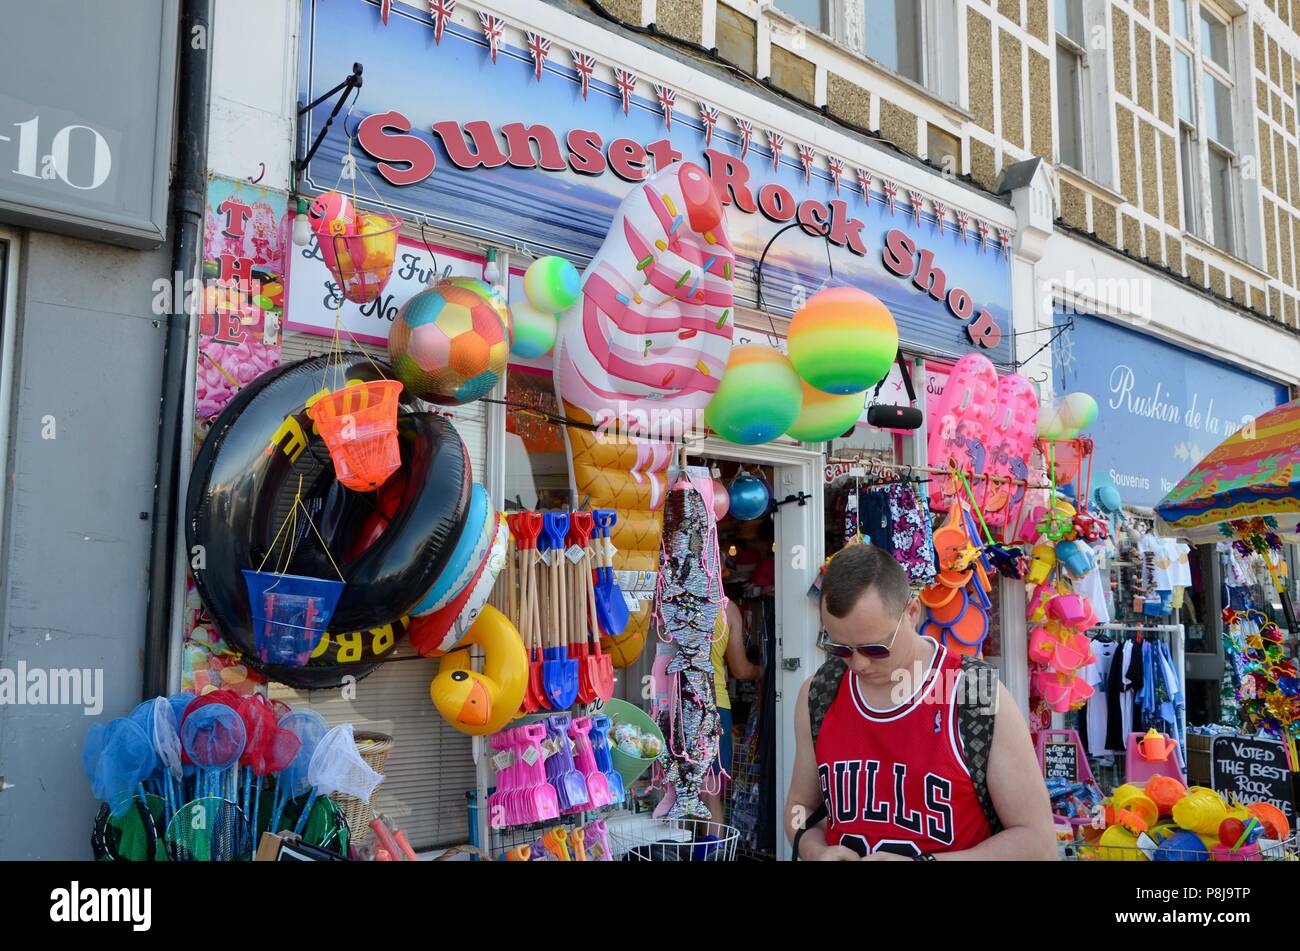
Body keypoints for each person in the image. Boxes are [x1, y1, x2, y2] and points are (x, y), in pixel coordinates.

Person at [785, 544, 1056, 860]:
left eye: (875, 649)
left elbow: (1037, 842)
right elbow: (798, 808)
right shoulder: (820, 692)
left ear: (912, 613)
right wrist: (814, 850)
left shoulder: (974, 690)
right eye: (840, 649)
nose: (858, 664)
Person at [703, 599, 763, 823]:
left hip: (676, 702)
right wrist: (761, 672)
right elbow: (740, 669)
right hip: (713, 703)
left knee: (677, 794)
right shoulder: (726, 608)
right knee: (710, 794)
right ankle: (712, 854)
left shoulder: (672, 598)